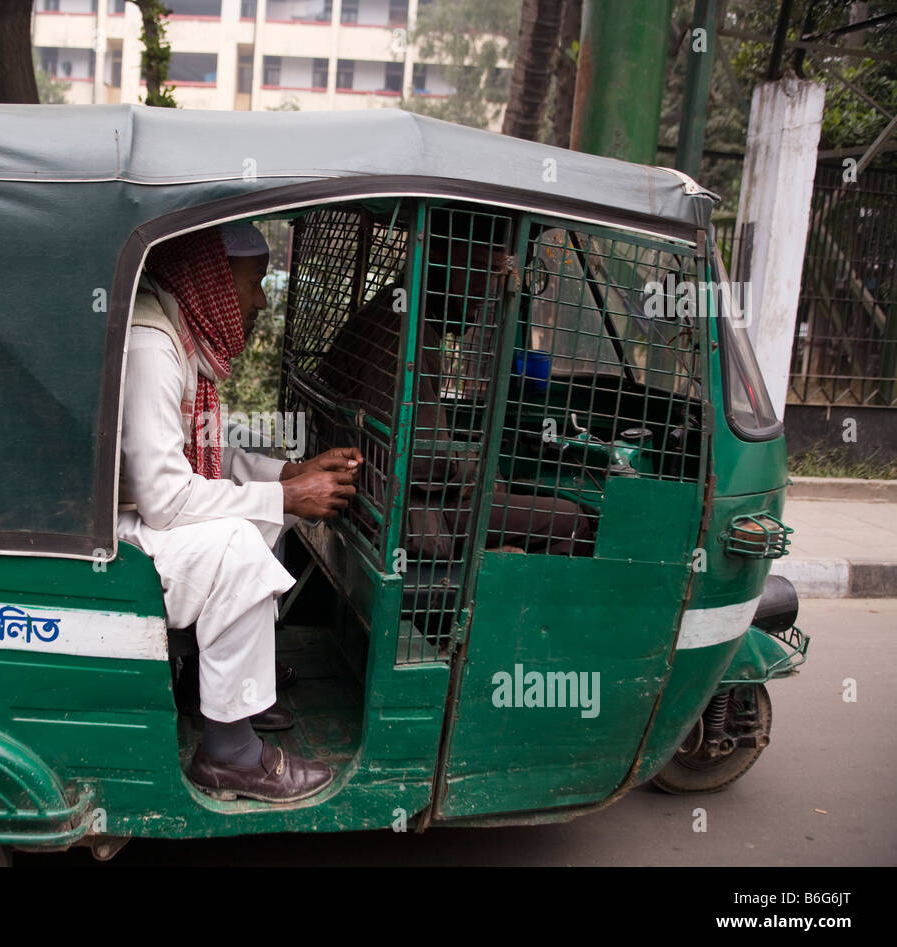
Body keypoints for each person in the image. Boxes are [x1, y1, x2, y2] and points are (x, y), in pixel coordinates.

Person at [117, 221, 362, 803]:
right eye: (252, 284)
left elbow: (204, 449)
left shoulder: (176, 330)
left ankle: (224, 685)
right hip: (112, 531)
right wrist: (285, 497)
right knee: (237, 545)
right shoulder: (153, 347)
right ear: (212, 280)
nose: (257, 302)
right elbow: (168, 499)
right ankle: (231, 753)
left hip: (134, 512)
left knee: (255, 520)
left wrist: (288, 474)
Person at [318, 215, 592, 559]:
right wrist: (474, 469)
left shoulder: (401, 313)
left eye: (494, 274)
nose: (486, 287)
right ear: (436, 262)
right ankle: (502, 601)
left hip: (383, 498)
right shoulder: (408, 334)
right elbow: (419, 459)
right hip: (399, 513)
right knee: (569, 520)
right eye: (474, 268)